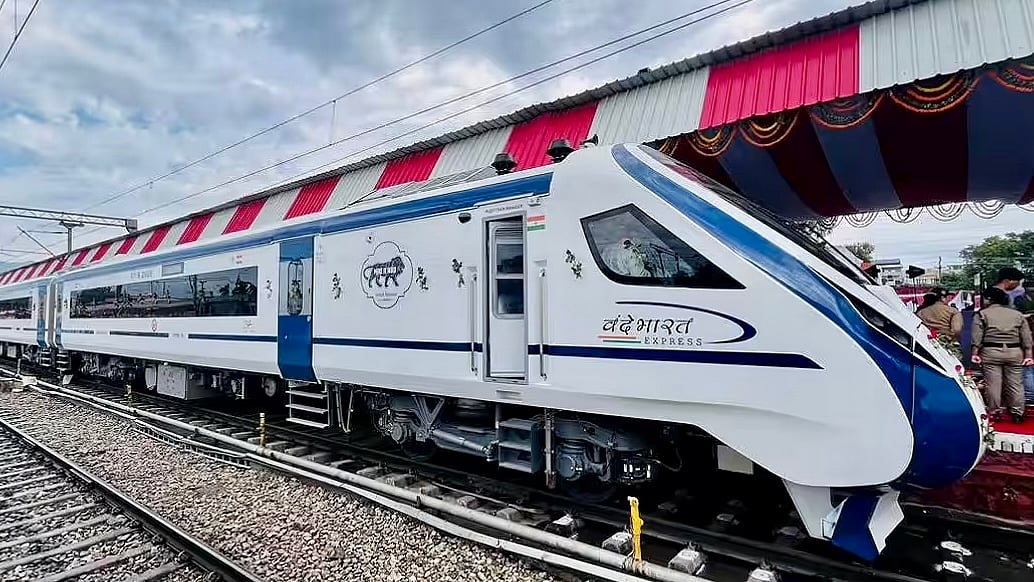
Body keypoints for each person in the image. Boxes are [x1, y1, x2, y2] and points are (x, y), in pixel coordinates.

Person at [971, 286, 1034, 423]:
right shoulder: (1017, 315)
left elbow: (977, 336)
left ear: (988, 299)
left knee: (993, 384)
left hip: (991, 351)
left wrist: (975, 352)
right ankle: (1017, 413)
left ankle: (995, 413)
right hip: (1014, 352)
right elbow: (1026, 337)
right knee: (1015, 384)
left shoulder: (982, 314)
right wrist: (1028, 355)